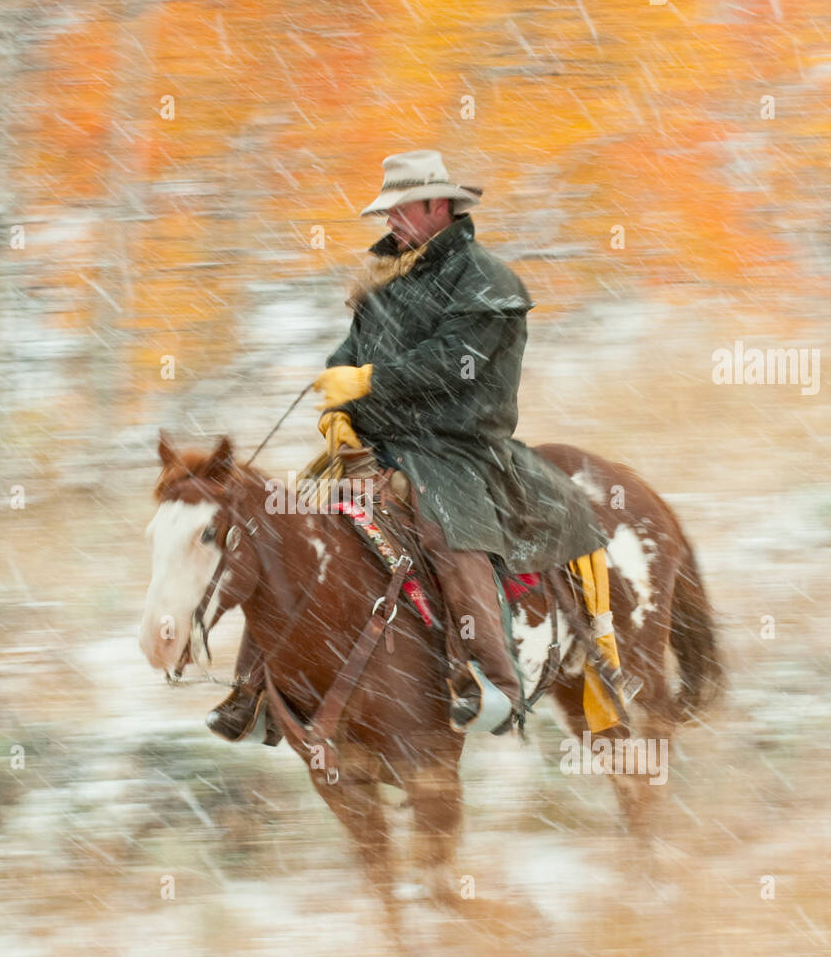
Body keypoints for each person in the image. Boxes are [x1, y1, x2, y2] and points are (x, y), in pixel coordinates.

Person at [207, 149, 606, 740]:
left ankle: (492, 679)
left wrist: (370, 381)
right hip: (375, 440)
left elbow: (459, 363)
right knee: (282, 527)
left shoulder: (487, 281)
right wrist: (338, 414)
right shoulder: (386, 277)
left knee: (448, 534)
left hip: (456, 446)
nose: (389, 220)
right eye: (386, 210)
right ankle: (259, 688)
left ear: (438, 205)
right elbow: (348, 353)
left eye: (401, 209)